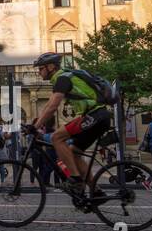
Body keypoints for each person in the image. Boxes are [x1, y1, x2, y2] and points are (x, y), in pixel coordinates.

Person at [29, 52, 114, 195]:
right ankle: (96, 192)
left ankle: (75, 179)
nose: (39, 72)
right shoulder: (61, 79)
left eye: (40, 68)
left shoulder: (63, 78)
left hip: (95, 115)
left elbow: (53, 107)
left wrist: (35, 127)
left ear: (50, 67)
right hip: (98, 116)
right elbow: (48, 105)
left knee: (57, 137)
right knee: (74, 153)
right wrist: (35, 124)